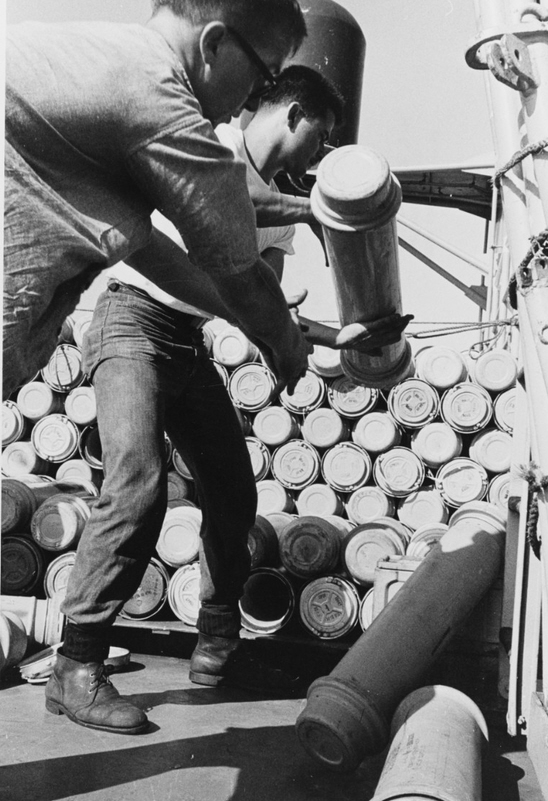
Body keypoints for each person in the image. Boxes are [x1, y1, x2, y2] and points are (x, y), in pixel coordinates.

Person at [46, 57, 411, 735]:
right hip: (132, 320)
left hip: (187, 342)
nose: (320, 154)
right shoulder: (212, 145)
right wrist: (332, 205)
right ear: (294, 115)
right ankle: (77, 666)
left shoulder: (278, 213)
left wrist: (353, 337)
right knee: (137, 482)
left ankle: (216, 647)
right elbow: (231, 193)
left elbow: (268, 306)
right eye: (320, 137)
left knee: (234, 494)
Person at [3, 0, 308, 400]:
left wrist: (255, 317)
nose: (250, 104)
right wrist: (286, 340)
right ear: (214, 44)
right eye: (262, 81)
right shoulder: (162, 104)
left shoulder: (100, 56)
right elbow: (241, 272)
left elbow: (153, 252)